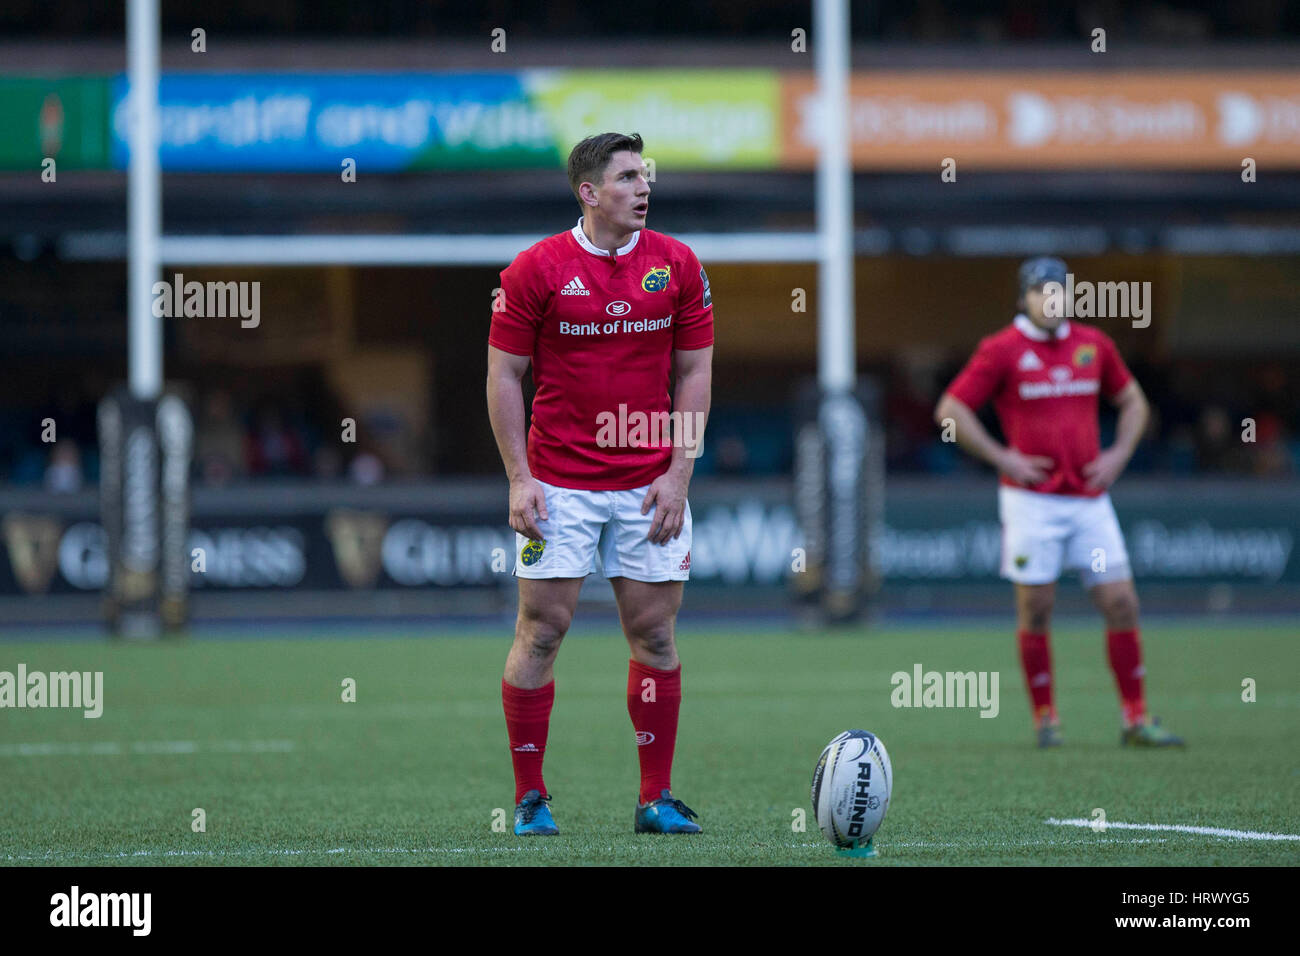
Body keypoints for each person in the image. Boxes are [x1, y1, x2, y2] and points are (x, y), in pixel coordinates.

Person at [486, 132, 714, 834]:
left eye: (645, 177)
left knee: (655, 635)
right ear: (589, 192)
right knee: (543, 632)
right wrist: (520, 478)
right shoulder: (536, 269)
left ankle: (655, 799)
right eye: (626, 178)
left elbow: (696, 372)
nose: (643, 188)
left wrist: (679, 472)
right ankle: (530, 799)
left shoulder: (677, 264)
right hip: (559, 483)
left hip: (648, 481)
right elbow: (504, 375)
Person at [934, 256, 1184, 749]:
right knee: (1038, 607)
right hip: (1032, 504)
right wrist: (1001, 456)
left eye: (1059, 291)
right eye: (1040, 292)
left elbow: (1134, 401)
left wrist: (1119, 454)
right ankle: (1045, 717)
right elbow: (951, 409)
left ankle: (1136, 718)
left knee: (1119, 601)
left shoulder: (1093, 345)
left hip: (1089, 501)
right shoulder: (1001, 349)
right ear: (1023, 298)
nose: (1051, 300)